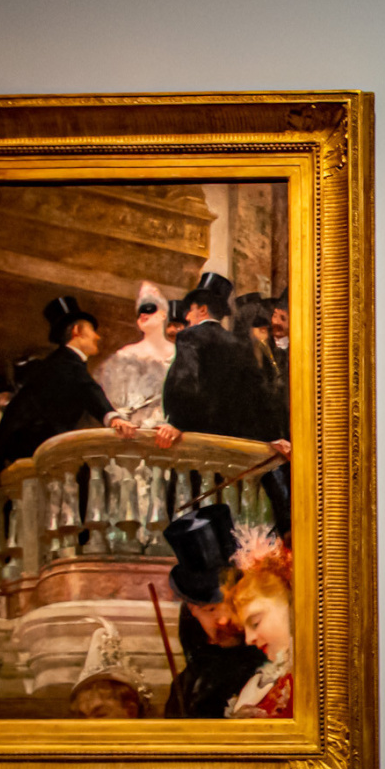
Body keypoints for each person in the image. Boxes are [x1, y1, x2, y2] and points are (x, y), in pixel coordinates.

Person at [163, 273, 292, 537]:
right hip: (230, 448)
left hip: (196, 444)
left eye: (189, 311)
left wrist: (175, 422)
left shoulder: (190, 337)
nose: (186, 318)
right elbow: (258, 394)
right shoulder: (240, 345)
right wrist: (273, 435)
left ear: (201, 309)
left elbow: (185, 382)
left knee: (188, 513)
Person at [0, 297, 138, 495]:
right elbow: (90, 390)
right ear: (77, 332)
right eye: (92, 331)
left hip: (28, 446)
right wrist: (114, 419)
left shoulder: (59, 363)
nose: (97, 337)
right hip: (35, 447)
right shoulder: (66, 364)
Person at [160, 504, 267, 719]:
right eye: (210, 610)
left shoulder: (273, 669)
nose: (224, 619)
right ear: (192, 611)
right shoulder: (186, 686)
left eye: (235, 604)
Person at [224, 525, 296, 719]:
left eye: (255, 623)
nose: (248, 639)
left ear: (291, 605)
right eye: (245, 629)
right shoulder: (270, 683)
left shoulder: (313, 679)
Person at [93, 282, 177, 435]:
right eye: (139, 312)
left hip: (165, 433)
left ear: (163, 313)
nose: (143, 314)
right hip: (132, 434)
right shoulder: (124, 356)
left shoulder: (179, 355)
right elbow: (114, 403)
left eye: (149, 309)